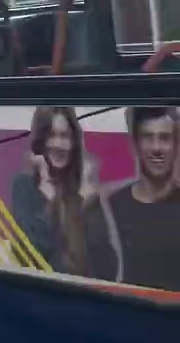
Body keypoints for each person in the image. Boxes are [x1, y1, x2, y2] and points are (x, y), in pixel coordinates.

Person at [10, 106, 118, 279]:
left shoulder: (82, 190)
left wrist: (90, 202)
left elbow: (109, 270)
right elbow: (28, 258)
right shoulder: (25, 186)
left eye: (64, 136)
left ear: (74, 142)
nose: (58, 145)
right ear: (41, 140)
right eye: (51, 135)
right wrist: (46, 198)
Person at [105, 107, 180, 291]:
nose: (156, 148)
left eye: (164, 138)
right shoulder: (111, 207)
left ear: (176, 146)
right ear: (136, 144)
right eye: (148, 137)